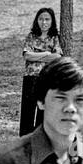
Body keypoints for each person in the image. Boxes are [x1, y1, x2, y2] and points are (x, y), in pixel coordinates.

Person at [20, 8, 62, 136]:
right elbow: (27, 55)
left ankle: (40, 140)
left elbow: (57, 56)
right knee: (27, 111)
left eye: (47, 19)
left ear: (52, 21)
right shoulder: (31, 36)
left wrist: (36, 55)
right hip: (30, 77)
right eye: (41, 19)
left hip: (47, 78)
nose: (44, 22)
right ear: (37, 20)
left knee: (42, 111)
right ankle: (25, 140)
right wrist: (46, 54)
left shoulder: (54, 37)